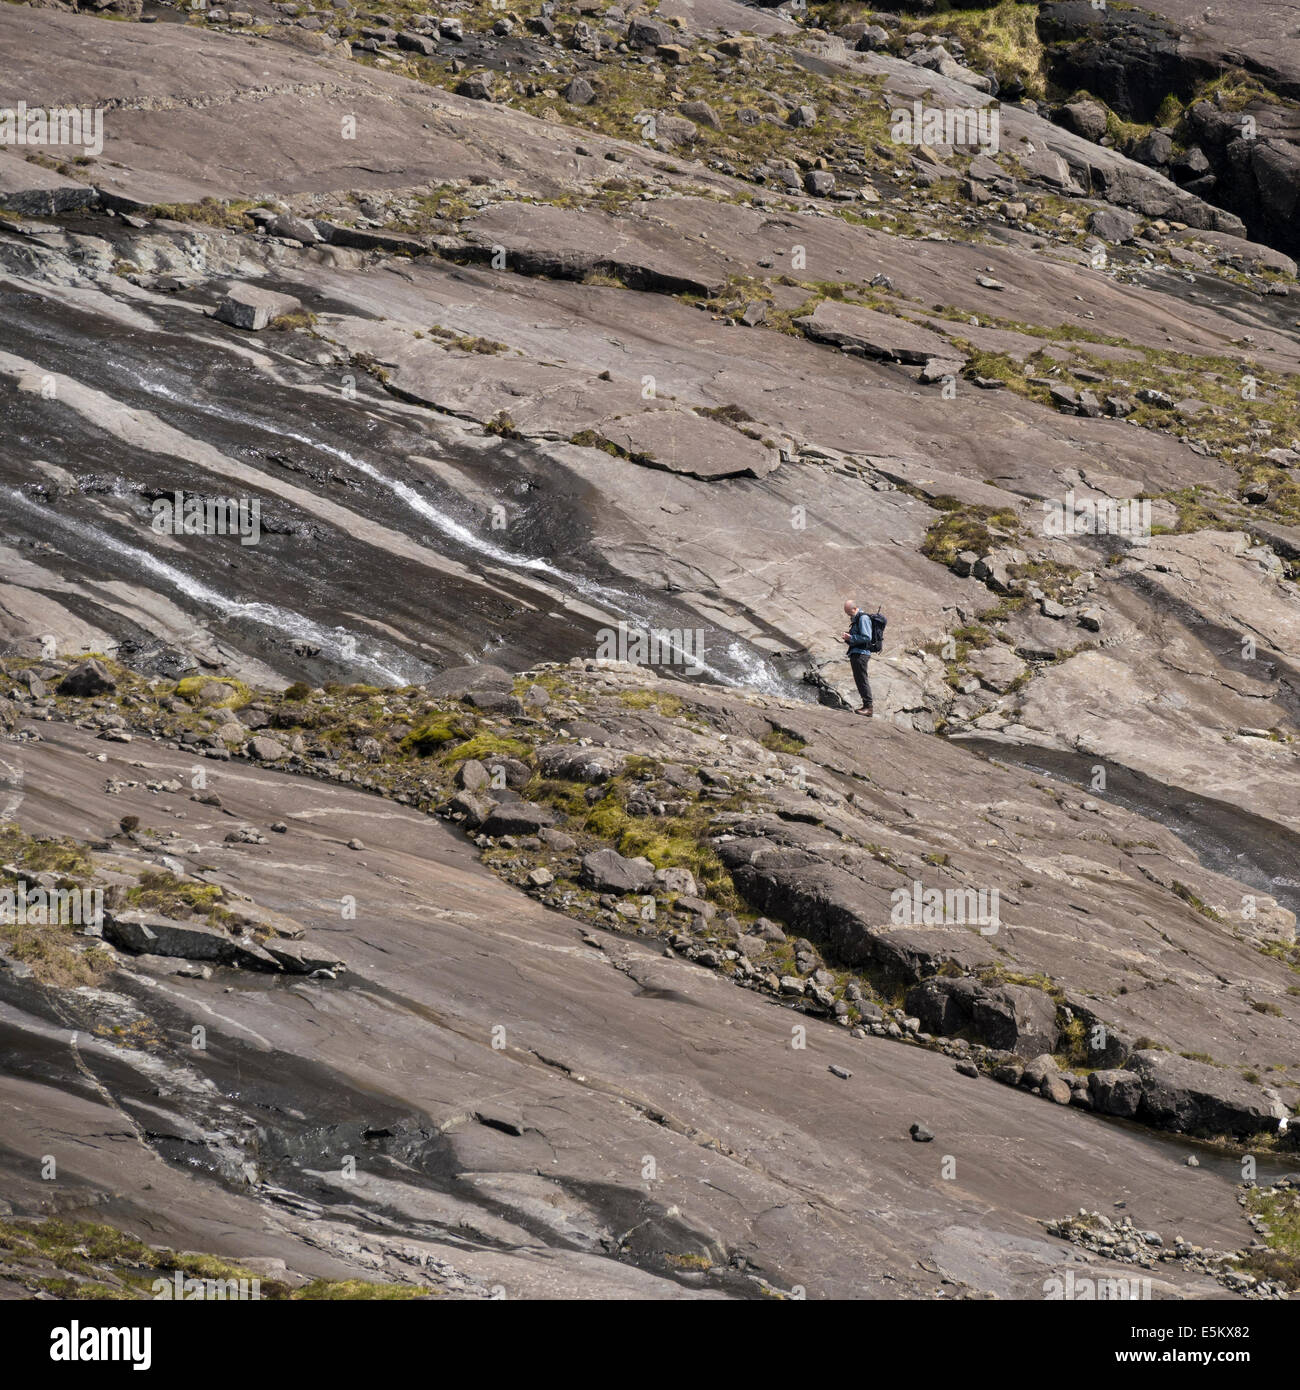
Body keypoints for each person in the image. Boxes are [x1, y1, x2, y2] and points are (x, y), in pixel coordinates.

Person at [841, 600, 874, 717]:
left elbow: (867, 637)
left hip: (861, 654)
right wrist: (848, 638)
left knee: (862, 680)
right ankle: (866, 706)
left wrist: (851, 638)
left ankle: (868, 708)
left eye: (849, 613)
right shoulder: (857, 618)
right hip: (856, 653)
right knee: (859, 680)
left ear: (854, 609)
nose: (849, 616)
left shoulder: (863, 618)